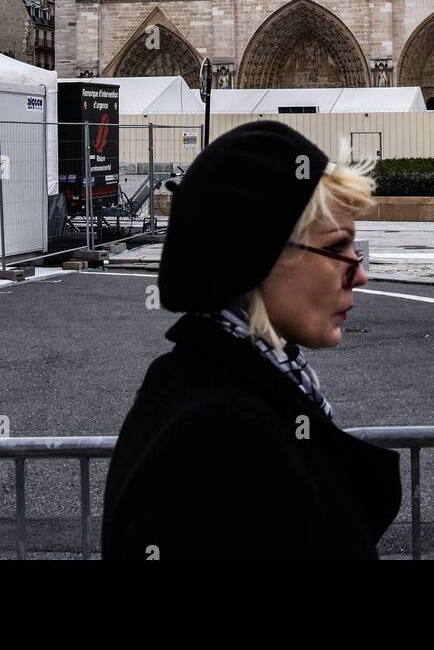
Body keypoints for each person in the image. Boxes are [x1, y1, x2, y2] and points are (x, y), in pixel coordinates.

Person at [101, 120, 401, 560]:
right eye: (338, 248)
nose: (360, 273)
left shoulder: (213, 387)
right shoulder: (220, 437)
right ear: (260, 255)